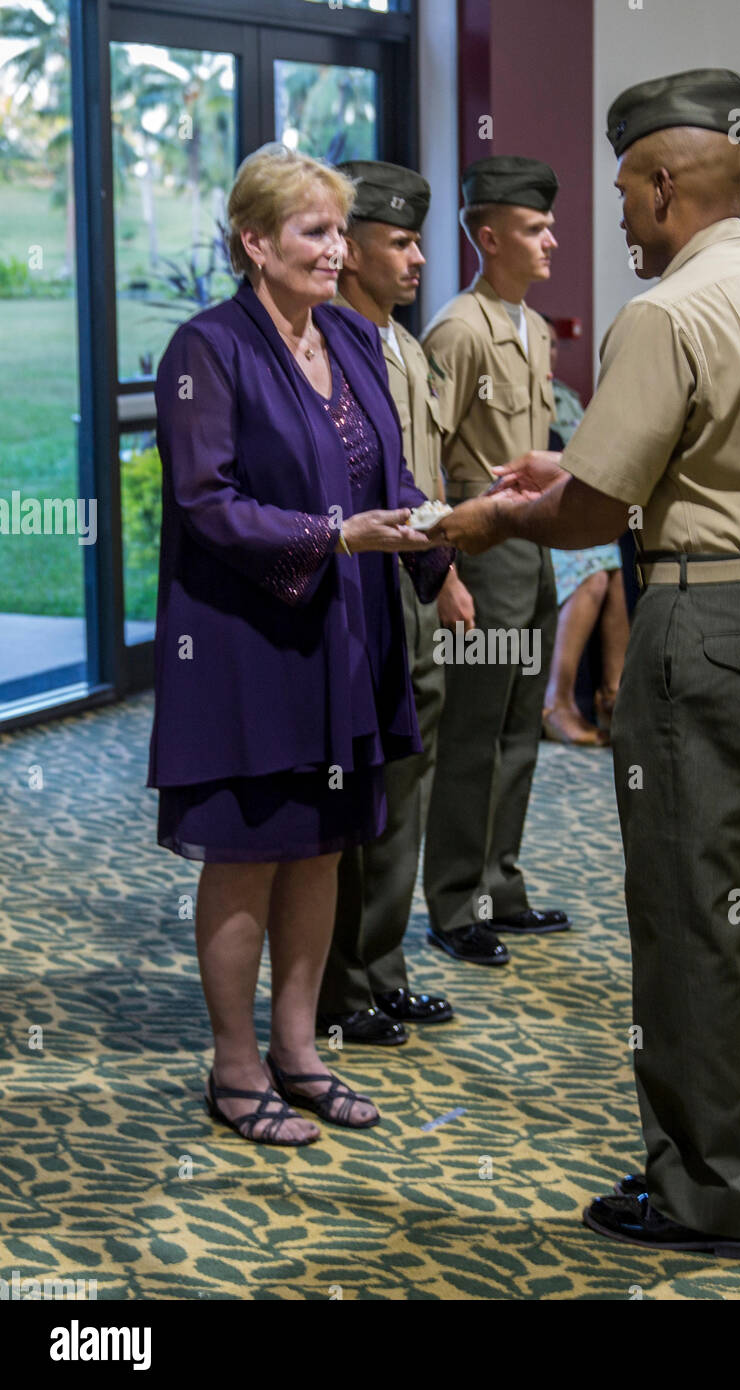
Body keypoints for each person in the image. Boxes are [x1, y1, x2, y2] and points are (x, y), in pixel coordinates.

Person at [433, 68, 740, 1259]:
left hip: (703, 635)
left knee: (686, 917)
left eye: (622, 189)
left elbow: (600, 508)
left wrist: (502, 515)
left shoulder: (665, 312)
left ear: (667, 183)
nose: (612, 215)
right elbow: (708, 464)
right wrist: (567, 483)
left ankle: (706, 1196)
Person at [147, 144, 452, 1144]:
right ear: (254, 243)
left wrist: (435, 565)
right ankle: (234, 1068)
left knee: (320, 849)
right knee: (247, 853)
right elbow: (205, 504)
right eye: (314, 232)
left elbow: (389, 485)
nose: (336, 250)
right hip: (245, 647)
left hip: (345, 636)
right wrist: (333, 538)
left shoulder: (355, 344)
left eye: (337, 230)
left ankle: (297, 1049)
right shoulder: (207, 349)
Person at [316, 160, 454, 1045]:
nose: (416, 260)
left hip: (417, 583)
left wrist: (447, 571)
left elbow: (424, 476)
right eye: (398, 242)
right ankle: (338, 988)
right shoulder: (321, 345)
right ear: (351, 247)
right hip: (352, 586)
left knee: (405, 789)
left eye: (417, 241)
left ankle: (383, 965)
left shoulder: (405, 347)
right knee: (353, 793)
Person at [420, 155, 570, 967]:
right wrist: (441, 566)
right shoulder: (458, 329)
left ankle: (497, 887)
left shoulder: (532, 327)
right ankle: (452, 902)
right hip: (481, 549)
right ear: (488, 236)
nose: (553, 240)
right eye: (535, 229)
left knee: (519, 727)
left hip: (531, 545)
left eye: (550, 226)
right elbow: (425, 453)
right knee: (471, 732)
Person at [542, 322, 627, 746]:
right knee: (597, 574)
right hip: (533, 523)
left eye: (556, 345)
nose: (552, 352)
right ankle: (556, 702)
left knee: (614, 566)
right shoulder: (523, 398)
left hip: (572, 515)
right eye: (545, 344)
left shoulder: (570, 400)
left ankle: (613, 694)